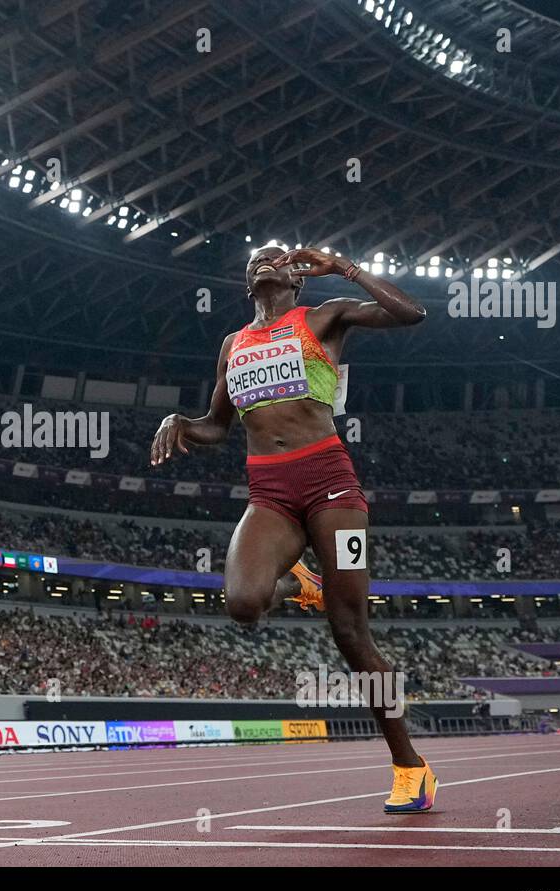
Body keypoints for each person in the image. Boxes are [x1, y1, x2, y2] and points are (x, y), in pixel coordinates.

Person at [150, 243, 436, 813]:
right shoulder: (234, 344)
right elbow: (217, 426)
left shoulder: (323, 316)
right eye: (253, 258)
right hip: (271, 492)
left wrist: (348, 270)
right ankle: (297, 581)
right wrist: (181, 422)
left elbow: (412, 314)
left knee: (351, 632)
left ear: (296, 278)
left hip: (333, 486)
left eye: (275, 256)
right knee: (243, 603)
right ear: (245, 282)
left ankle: (411, 767)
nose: (262, 261)